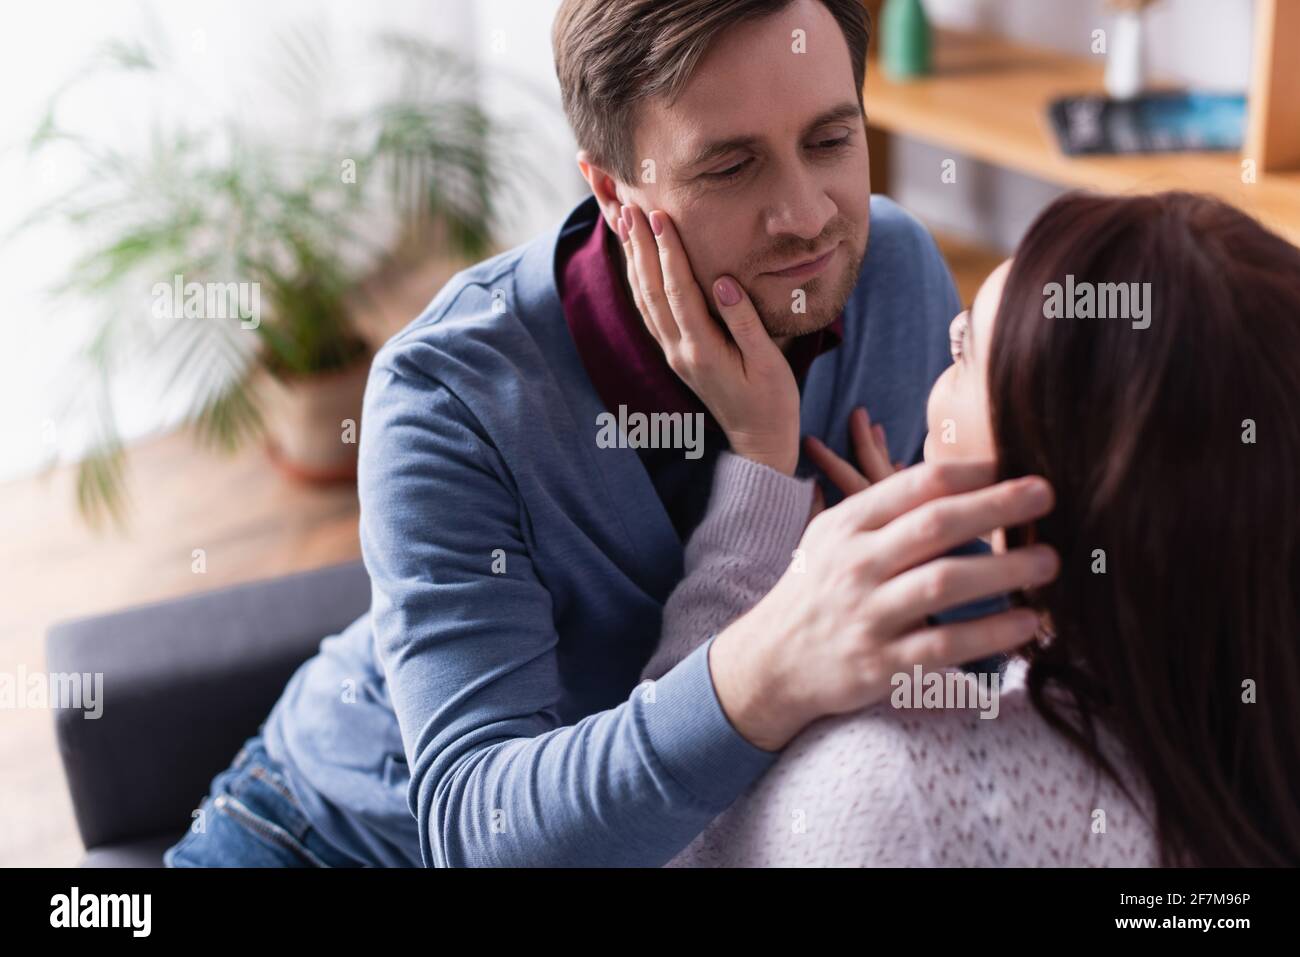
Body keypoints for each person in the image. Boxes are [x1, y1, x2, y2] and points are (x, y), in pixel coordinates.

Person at [164, 0, 1055, 868]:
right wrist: (773, 658)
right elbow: (479, 832)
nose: (808, 216)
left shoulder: (894, 274)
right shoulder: (447, 394)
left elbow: (976, 649)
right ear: (610, 189)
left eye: (830, 140)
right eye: (731, 167)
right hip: (325, 836)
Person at [636, 190, 1300, 867]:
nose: (946, 331)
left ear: (1050, 467)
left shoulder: (901, 791)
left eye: (968, 350)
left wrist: (753, 510)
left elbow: (666, 844)